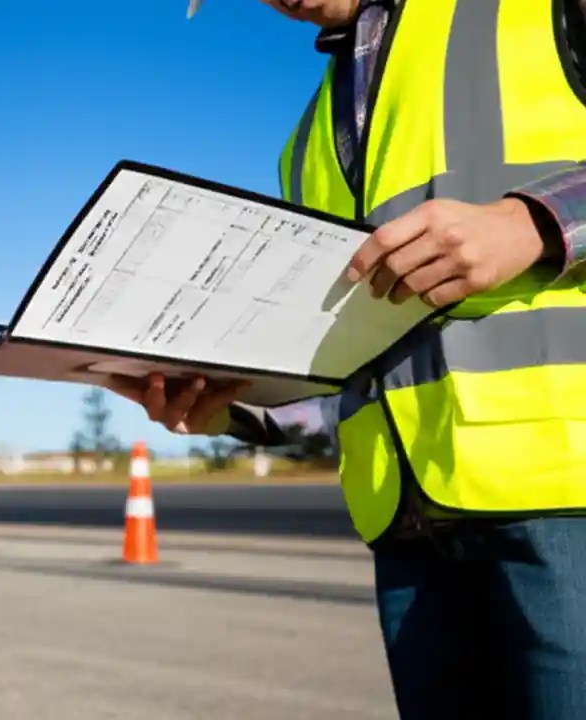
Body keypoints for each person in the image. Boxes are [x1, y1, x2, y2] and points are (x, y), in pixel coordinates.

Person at [110, 1, 586, 718]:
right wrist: (234, 408)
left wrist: (537, 224)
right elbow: (351, 372)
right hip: (411, 532)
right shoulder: (304, 146)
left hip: (567, 504)